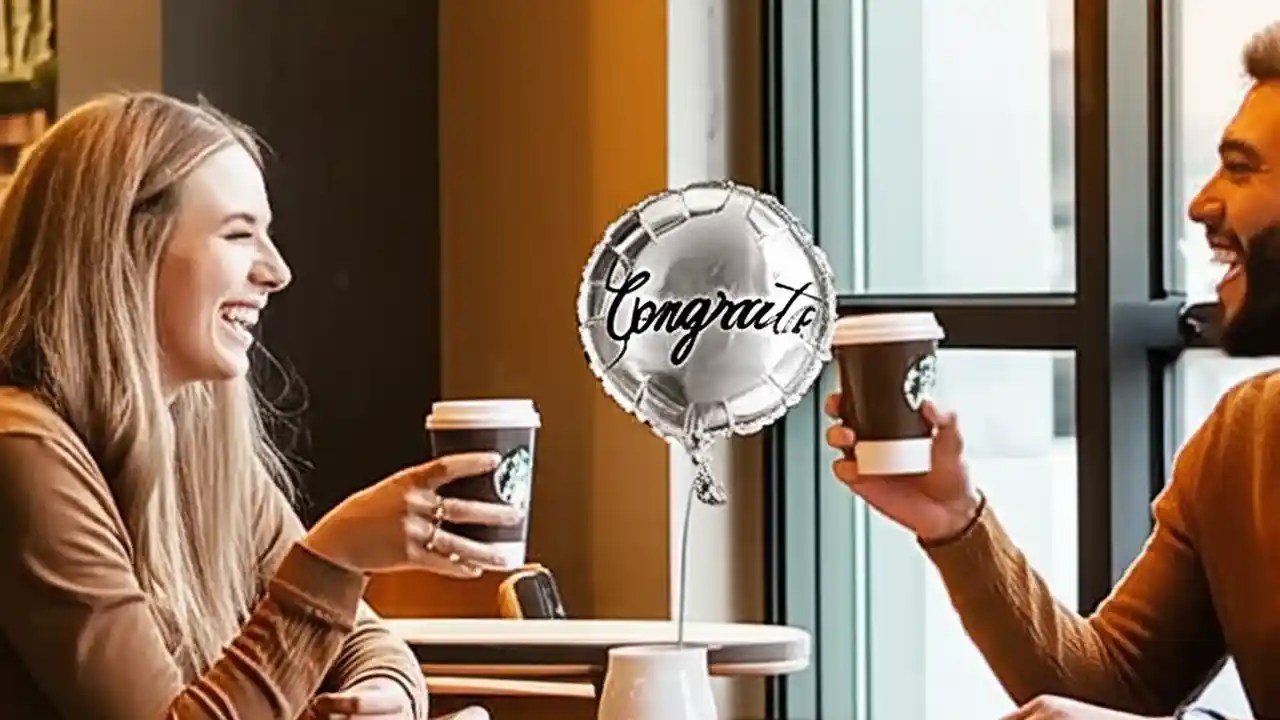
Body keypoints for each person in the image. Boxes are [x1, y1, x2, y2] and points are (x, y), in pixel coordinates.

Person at [0, 92, 518, 719]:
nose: (277, 271)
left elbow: (364, 641)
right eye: (240, 235)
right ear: (126, 250)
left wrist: (385, 697)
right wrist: (334, 557)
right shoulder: (21, 450)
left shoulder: (195, 439)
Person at [825, 21, 1280, 720]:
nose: (1201, 203)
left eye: (1243, 168)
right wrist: (954, 520)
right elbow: (1115, 687)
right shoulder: (1244, 438)